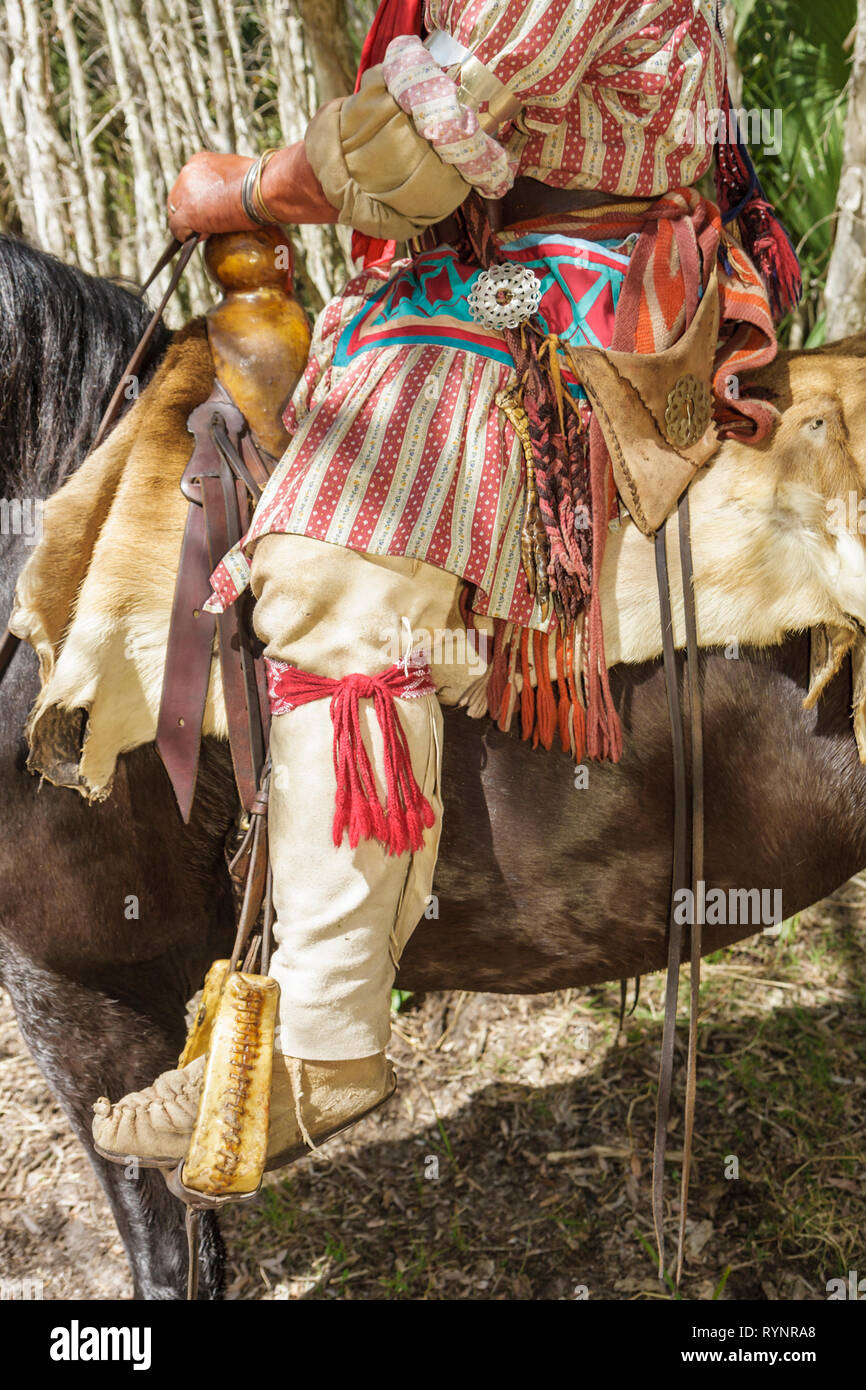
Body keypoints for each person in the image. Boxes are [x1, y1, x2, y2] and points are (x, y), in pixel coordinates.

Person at [92, 0, 795, 1167]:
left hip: (574, 281)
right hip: (488, 270)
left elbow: (409, 155)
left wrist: (246, 191)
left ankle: (322, 1047)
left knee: (331, 569)